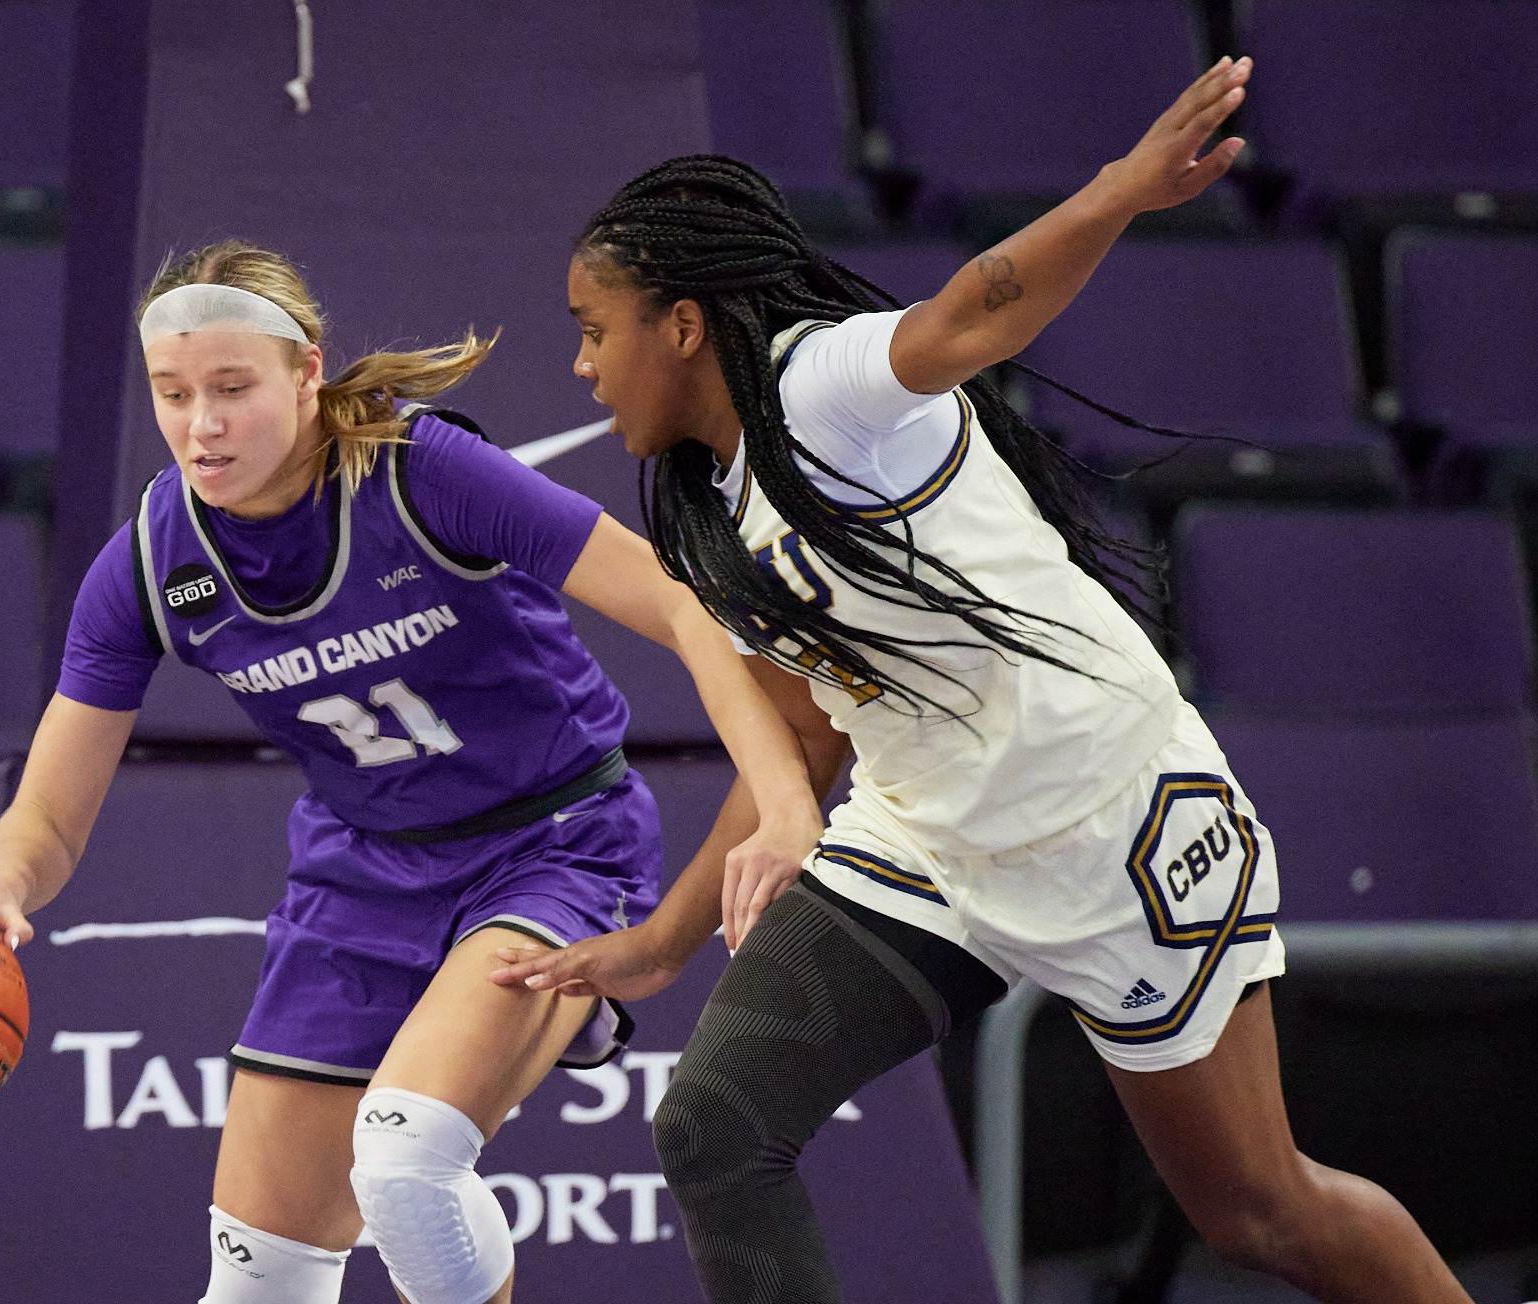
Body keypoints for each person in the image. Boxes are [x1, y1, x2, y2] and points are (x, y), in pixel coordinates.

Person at [494, 57, 1474, 1304]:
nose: (578, 367)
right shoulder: (707, 504)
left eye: (591, 329)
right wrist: (656, 944)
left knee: (1256, 1209)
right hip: (928, 846)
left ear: (679, 323)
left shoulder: (822, 386)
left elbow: (974, 309)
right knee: (712, 1126)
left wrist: (1118, 190)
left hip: (1108, 821)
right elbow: (799, 743)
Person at [0, 240, 821, 1304]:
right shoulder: (150, 560)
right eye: (173, 395)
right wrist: (1, 884)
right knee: (256, 1283)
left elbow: (683, 608)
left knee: (404, 1169)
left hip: (550, 846)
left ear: (306, 371)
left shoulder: (423, 475)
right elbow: (50, 809)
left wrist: (781, 804)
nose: (201, 425)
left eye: (232, 388)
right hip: (363, 877)